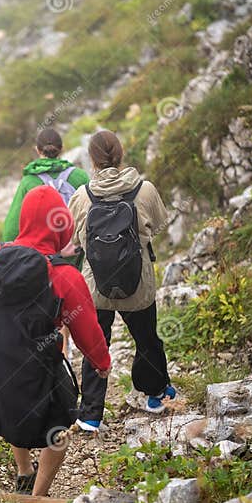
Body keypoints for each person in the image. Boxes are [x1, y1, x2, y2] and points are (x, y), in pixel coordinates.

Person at [0, 186, 111, 497]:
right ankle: (37, 497)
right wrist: (101, 363)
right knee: (61, 427)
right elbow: (87, 330)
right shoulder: (64, 275)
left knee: (14, 406)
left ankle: (24, 471)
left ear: (23, 219)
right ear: (61, 225)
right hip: (33, 370)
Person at [69, 129, 175, 431]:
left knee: (95, 343)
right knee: (146, 339)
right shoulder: (145, 190)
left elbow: (75, 239)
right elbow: (159, 225)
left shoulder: (81, 196)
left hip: (95, 287)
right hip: (138, 284)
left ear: (92, 160)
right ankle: (154, 395)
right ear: (121, 154)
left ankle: (91, 414)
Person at [2, 127, 89, 242]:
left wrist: (9, 246)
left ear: (37, 150)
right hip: (76, 247)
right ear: (62, 148)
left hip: (44, 248)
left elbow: (13, 226)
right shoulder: (80, 176)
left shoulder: (29, 181)